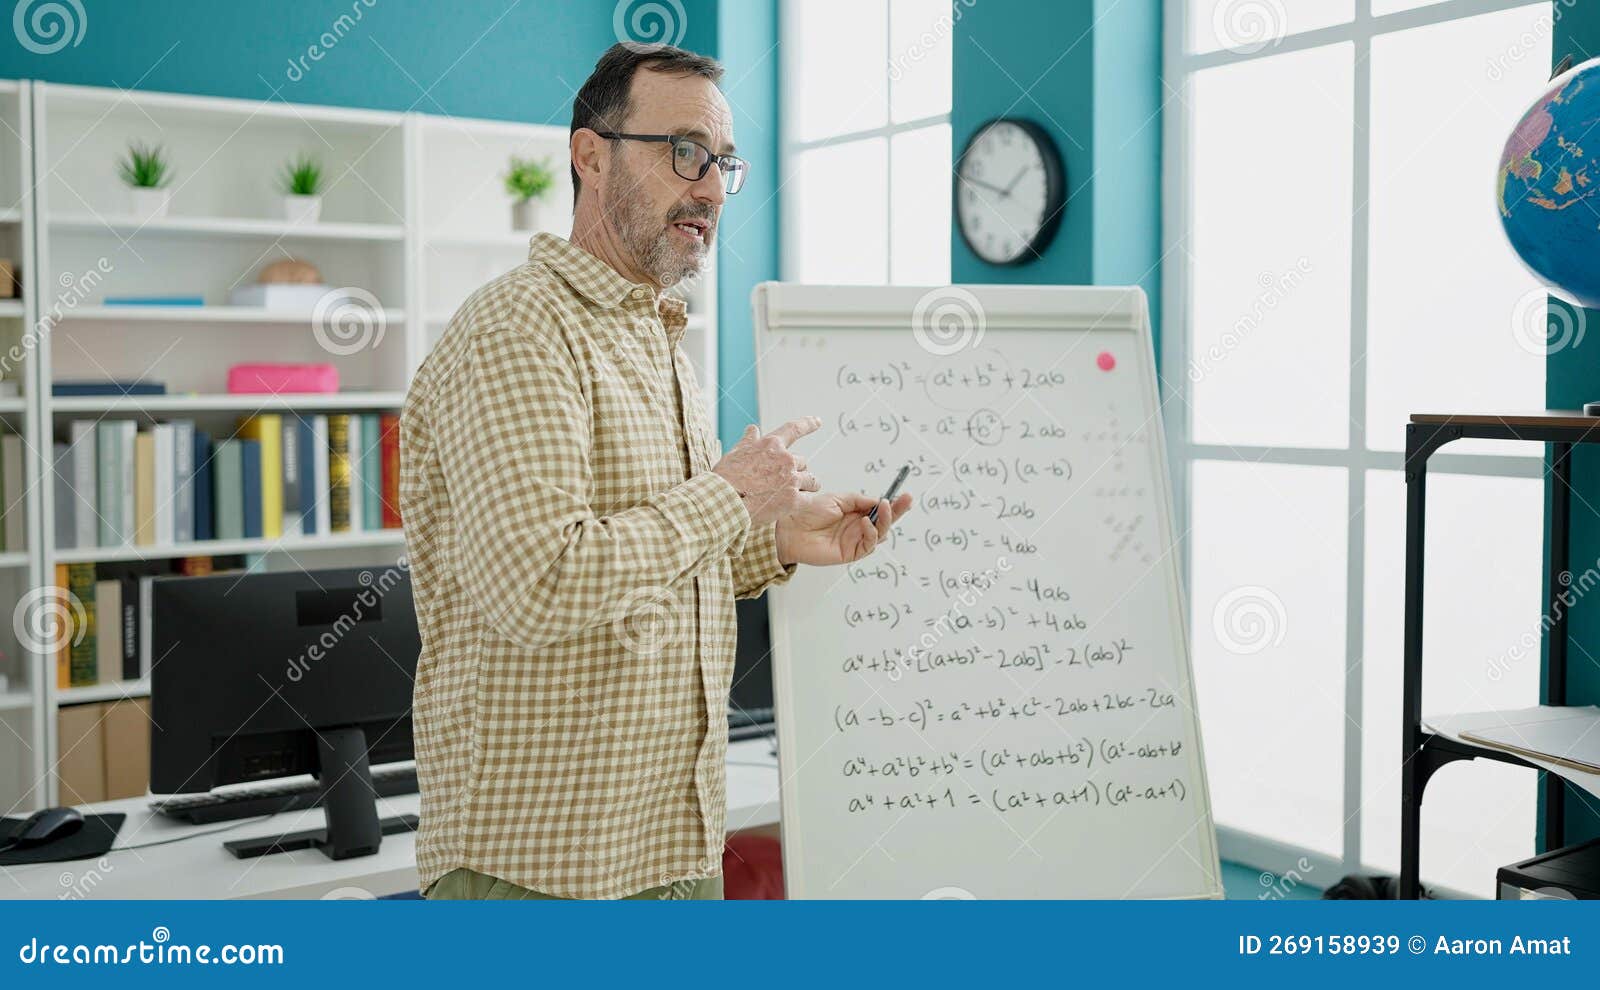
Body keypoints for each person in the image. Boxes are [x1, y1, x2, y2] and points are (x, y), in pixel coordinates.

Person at [402, 42, 912, 901]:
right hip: (539, 873)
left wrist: (773, 537)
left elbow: (655, 557)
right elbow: (541, 582)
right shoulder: (517, 330)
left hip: (671, 851)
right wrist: (728, 495)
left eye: (723, 163)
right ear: (591, 156)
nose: (711, 188)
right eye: (684, 152)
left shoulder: (654, 333)